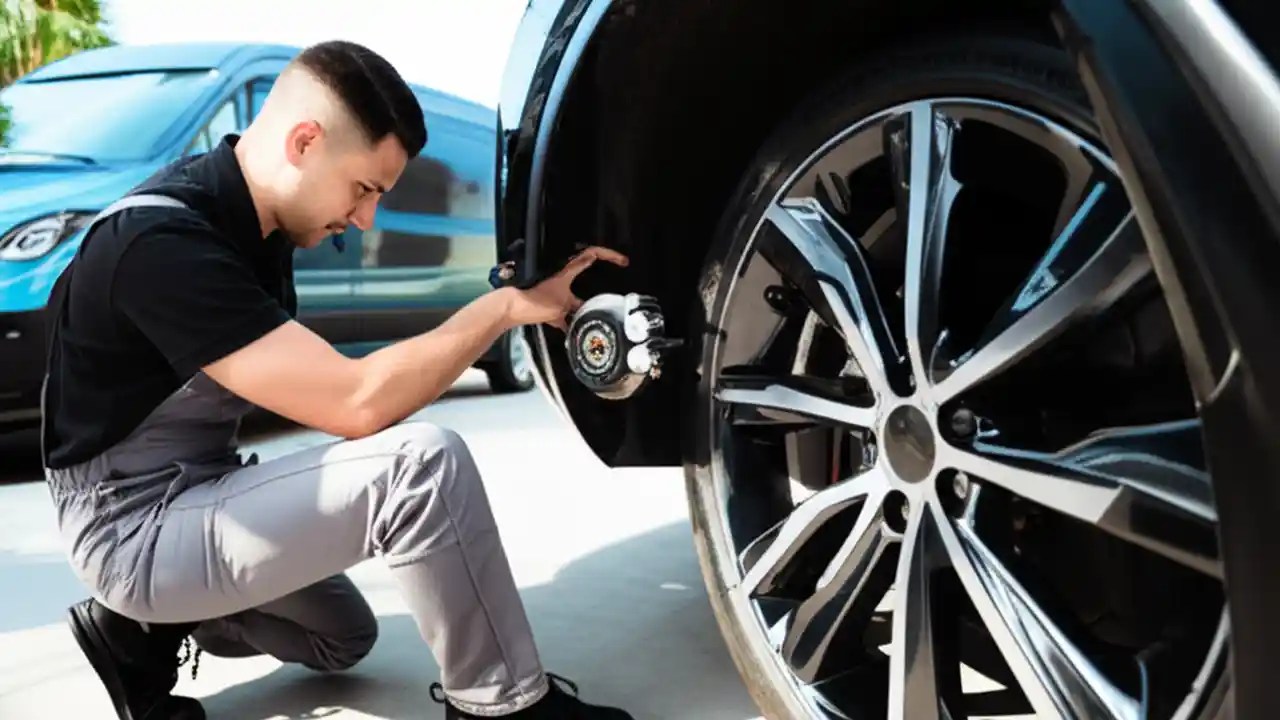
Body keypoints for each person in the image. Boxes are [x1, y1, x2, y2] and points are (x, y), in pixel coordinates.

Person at [40, 40, 634, 720]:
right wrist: (501, 309)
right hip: (131, 527)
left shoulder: (254, 231)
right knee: (421, 468)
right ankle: (500, 708)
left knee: (342, 638)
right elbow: (355, 403)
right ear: (304, 140)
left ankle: (137, 632)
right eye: (364, 189)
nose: (365, 219)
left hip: (200, 488)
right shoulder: (161, 245)